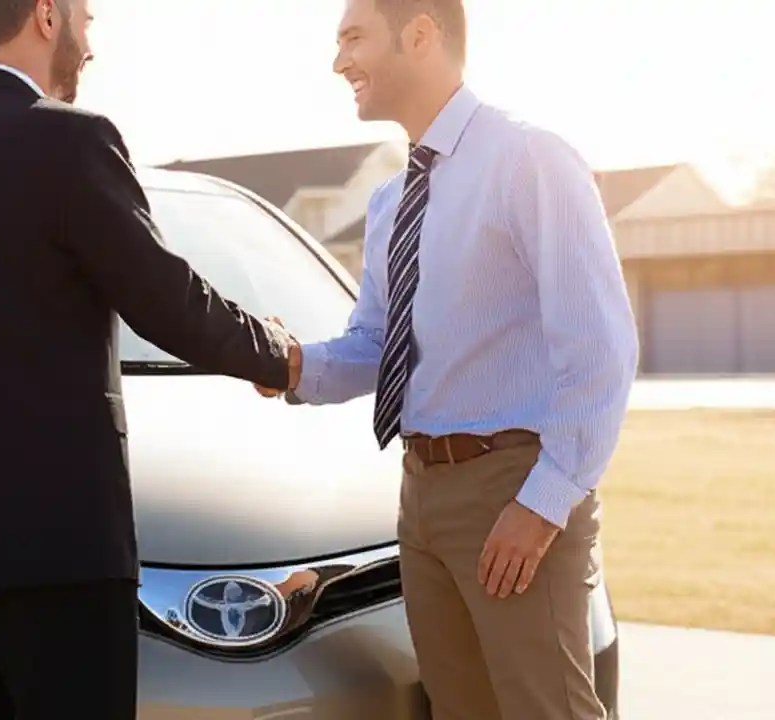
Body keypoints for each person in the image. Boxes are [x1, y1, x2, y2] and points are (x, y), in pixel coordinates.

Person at [0, 0, 301, 717]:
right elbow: (164, 295)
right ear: (47, 15)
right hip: (58, 556)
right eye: (88, 18)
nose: (91, 42)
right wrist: (276, 355)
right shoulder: (71, 143)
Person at [259, 1, 639, 718]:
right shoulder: (389, 201)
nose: (340, 61)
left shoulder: (529, 159)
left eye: (353, 38)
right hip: (420, 495)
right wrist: (286, 364)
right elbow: (376, 345)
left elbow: (600, 349)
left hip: (511, 488)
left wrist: (544, 501)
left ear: (421, 35)